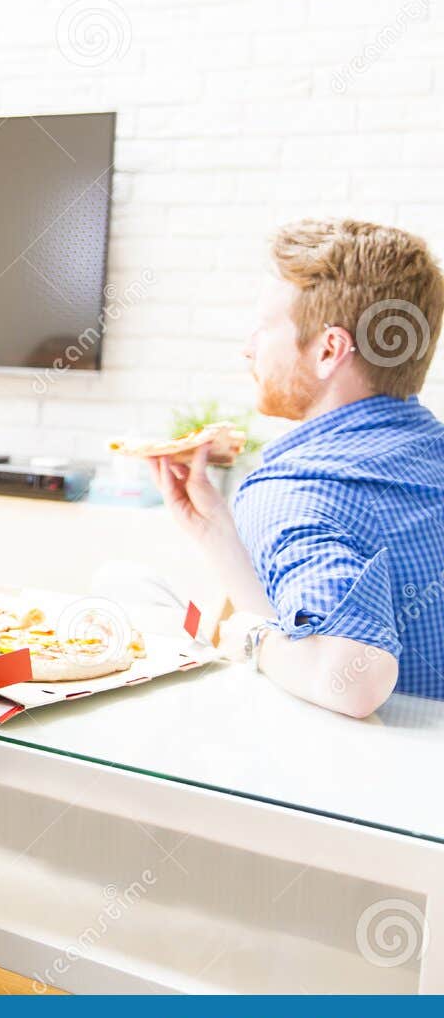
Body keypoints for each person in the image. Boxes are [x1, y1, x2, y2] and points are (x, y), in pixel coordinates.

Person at [151, 218, 444, 717]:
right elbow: (306, 631)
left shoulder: (298, 489)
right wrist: (219, 535)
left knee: (131, 589)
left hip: (360, 783)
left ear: (329, 350)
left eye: (264, 329)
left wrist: (252, 640)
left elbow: (353, 679)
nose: (248, 348)